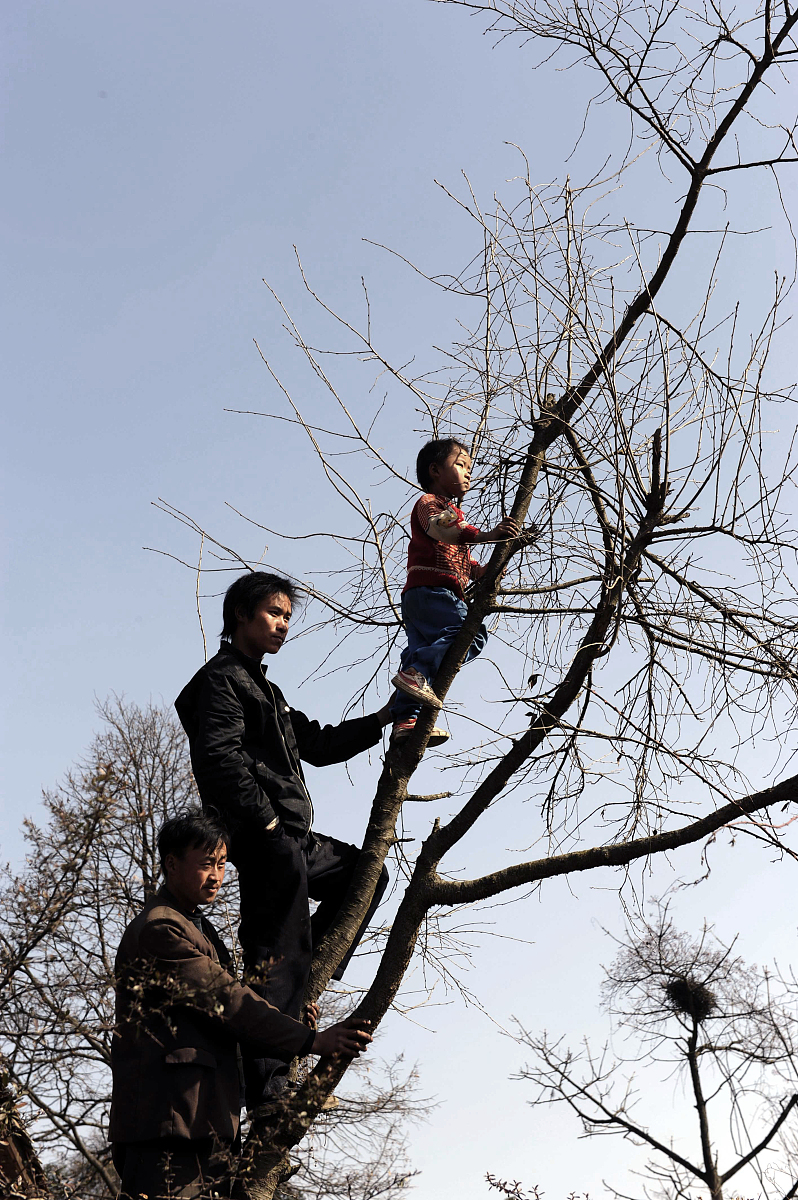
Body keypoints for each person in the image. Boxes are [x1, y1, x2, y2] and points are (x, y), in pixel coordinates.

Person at [174, 574, 391, 1114]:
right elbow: (219, 760)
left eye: (288, 616)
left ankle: (307, 977)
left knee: (366, 876)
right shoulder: (220, 682)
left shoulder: (265, 689)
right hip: (263, 838)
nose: (283, 624)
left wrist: (384, 719)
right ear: (241, 615)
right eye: (274, 613)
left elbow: (315, 743)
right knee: (273, 953)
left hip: (291, 839)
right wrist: (267, 826)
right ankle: (267, 1085)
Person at [109, 810, 372, 1200]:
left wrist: (290, 1018)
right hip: (169, 1131)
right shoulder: (160, 929)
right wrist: (310, 1040)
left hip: (205, 1128)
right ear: (171, 864)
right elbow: (230, 1004)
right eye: (205, 864)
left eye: (221, 863)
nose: (216, 875)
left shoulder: (198, 927)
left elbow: (237, 1003)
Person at [390, 438, 520, 743]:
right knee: (471, 635)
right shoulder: (430, 504)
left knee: (418, 654)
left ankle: (405, 722)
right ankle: (416, 676)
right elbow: (444, 528)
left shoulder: (451, 524)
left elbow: (473, 568)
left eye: (470, 468)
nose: (468, 473)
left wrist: (505, 551)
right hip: (433, 591)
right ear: (435, 470)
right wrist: (486, 534)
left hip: (423, 596)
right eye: (460, 465)